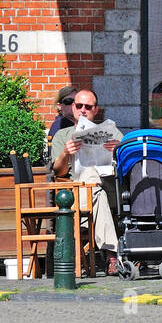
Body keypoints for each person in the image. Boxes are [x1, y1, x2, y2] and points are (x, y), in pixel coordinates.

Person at [50, 89, 123, 275]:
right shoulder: (62, 135)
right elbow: (58, 172)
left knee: (97, 189)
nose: (83, 110)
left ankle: (82, 227)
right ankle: (112, 257)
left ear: (96, 110)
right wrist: (66, 153)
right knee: (93, 183)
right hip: (76, 192)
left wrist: (119, 149)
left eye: (88, 107)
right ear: (73, 107)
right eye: (79, 105)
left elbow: (129, 163)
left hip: (108, 187)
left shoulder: (111, 131)